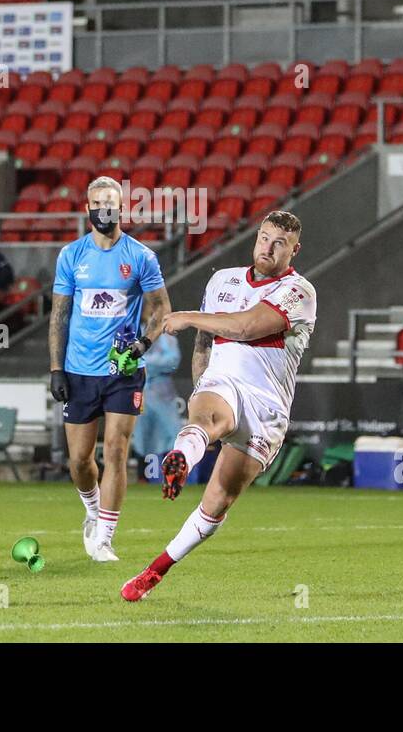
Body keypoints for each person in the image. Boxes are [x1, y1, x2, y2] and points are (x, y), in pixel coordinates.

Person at [122, 211, 317, 602]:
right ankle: (184, 453)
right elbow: (204, 345)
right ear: (256, 237)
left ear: (294, 250)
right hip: (223, 382)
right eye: (264, 237)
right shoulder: (222, 279)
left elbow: (246, 326)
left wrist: (186, 317)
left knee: (217, 503)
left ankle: (157, 568)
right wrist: (202, 389)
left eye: (280, 243)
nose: (269, 247)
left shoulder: (300, 291)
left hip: (266, 407)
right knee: (208, 415)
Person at [49, 176, 170, 562]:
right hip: (79, 371)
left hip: (124, 370)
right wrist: (56, 368)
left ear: (121, 209)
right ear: (87, 210)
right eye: (97, 204)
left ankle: (105, 537)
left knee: (116, 451)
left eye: (111, 204)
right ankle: (91, 509)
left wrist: (144, 344)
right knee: (80, 461)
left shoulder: (140, 257)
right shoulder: (71, 256)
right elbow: (59, 316)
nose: (105, 210)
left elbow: (162, 308)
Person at [132, 331, 182, 462]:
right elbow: (130, 359)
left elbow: (173, 360)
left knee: (172, 430)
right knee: (141, 434)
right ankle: (143, 475)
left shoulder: (167, 336)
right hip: (140, 388)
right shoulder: (136, 330)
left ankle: (172, 469)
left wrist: (145, 361)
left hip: (162, 390)